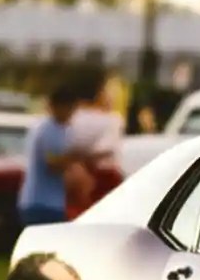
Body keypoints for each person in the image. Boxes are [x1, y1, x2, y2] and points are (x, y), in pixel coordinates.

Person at [17, 88, 85, 226]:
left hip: (53, 203)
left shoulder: (62, 129)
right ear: (59, 106)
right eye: (70, 108)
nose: (72, 113)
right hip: (41, 204)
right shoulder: (47, 130)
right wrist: (75, 157)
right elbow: (52, 165)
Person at [66, 71, 125, 219]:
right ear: (99, 93)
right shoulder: (113, 120)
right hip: (104, 178)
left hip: (73, 177)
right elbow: (107, 149)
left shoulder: (70, 118)